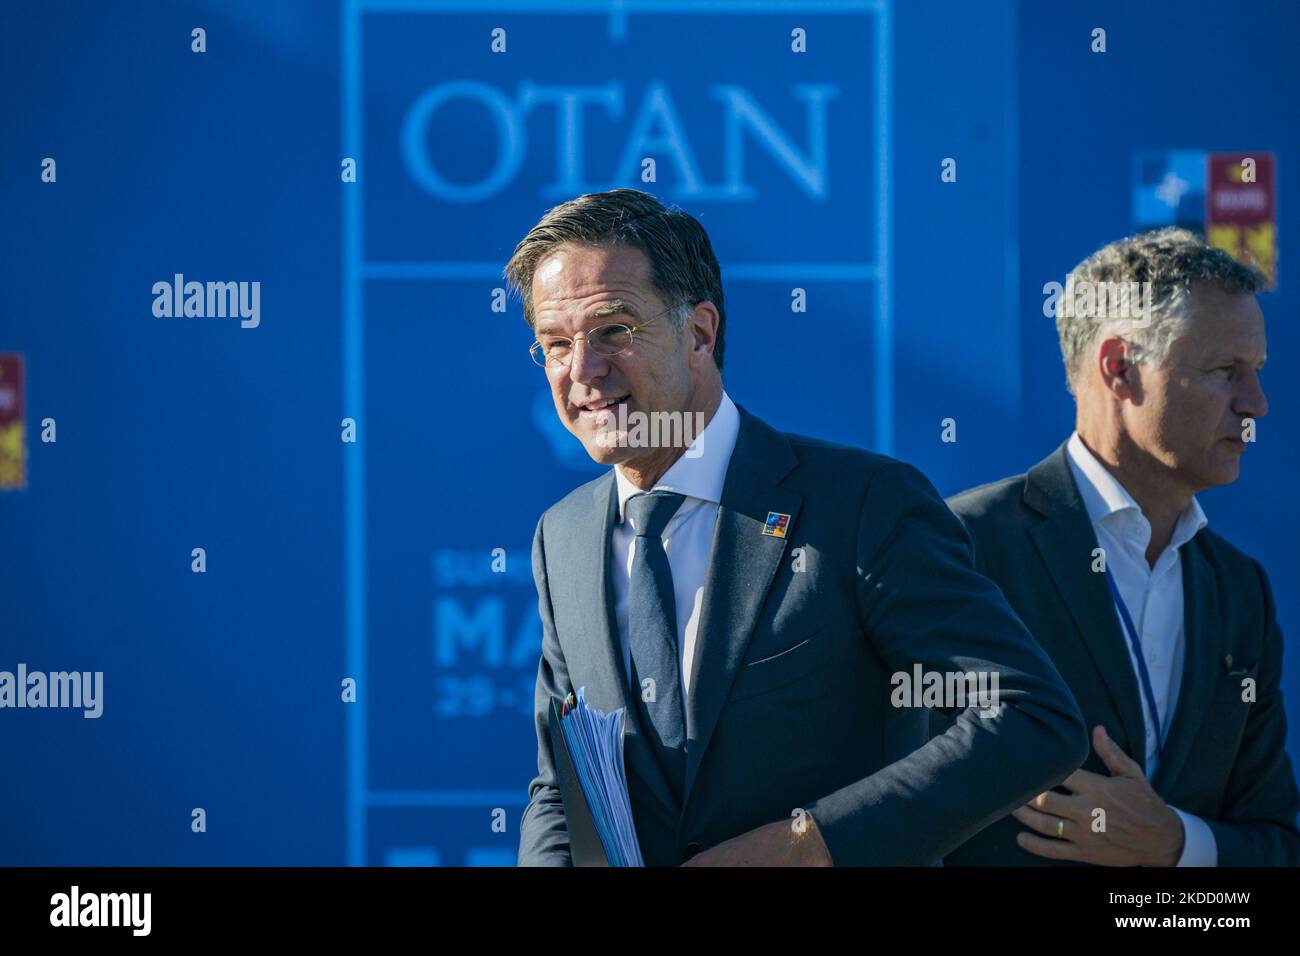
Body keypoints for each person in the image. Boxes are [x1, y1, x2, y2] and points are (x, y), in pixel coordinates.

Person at [508, 188, 1087, 866]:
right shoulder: (564, 536)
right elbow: (559, 789)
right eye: (555, 344)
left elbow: (1029, 717)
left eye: (615, 330)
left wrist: (809, 845)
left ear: (699, 332)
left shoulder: (863, 503)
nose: (583, 371)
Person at [940, 227, 1300, 866]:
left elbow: (1273, 842)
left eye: (1258, 372)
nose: (1258, 403)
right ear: (1119, 368)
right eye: (1225, 371)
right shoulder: (964, 548)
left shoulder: (1239, 590)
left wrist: (1176, 844)